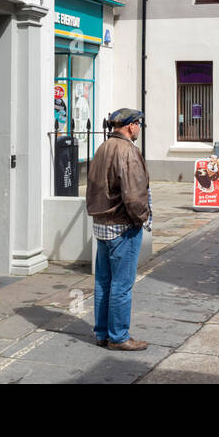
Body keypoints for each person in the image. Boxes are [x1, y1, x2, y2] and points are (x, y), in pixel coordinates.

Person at [86, 108, 152, 351]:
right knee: (121, 285)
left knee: (103, 282)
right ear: (131, 125)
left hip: (102, 223)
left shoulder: (103, 148)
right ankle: (119, 336)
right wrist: (141, 218)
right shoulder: (128, 151)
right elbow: (134, 196)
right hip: (123, 225)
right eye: (139, 124)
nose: (139, 129)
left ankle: (102, 333)